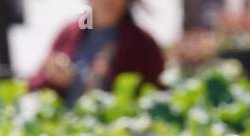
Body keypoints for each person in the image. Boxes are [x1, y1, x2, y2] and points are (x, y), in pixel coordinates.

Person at [28, 0, 165, 104]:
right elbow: (34, 88)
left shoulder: (143, 44)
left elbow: (155, 100)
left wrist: (107, 83)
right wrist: (52, 77)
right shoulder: (69, 33)